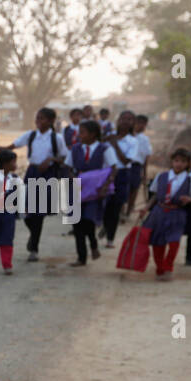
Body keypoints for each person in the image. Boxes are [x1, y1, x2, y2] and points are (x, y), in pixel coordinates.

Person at [7, 107, 69, 262]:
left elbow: (65, 158)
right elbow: (12, 146)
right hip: (32, 172)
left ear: (50, 121)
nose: (38, 121)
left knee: (39, 213)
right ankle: (33, 235)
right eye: (37, 118)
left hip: (48, 175)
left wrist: (50, 160)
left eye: (41, 118)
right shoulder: (31, 135)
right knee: (25, 210)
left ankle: (34, 248)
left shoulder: (57, 138)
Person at [64, 120, 115, 266]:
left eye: (82, 132)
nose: (79, 135)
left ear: (92, 134)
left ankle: (93, 244)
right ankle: (81, 257)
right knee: (76, 222)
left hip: (95, 190)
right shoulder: (75, 149)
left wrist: (106, 186)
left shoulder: (105, 148)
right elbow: (68, 167)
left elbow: (114, 168)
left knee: (88, 220)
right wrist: (72, 178)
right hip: (78, 187)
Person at [144, 149, 191, 281]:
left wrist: (189, 200)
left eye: (183, 161)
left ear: (188, 164)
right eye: (176, 161)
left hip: (177, 213)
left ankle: (168, 266)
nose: (179, 164)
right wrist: (146, 208)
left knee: (174, 241)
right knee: (158, 241)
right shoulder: (161, 176)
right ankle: (159, 267)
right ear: (172, 161)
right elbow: (155, 195)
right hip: (159, 212)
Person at [101, 111, 136, 247]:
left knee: (115, 207)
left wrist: (115, 144)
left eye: (129, 119)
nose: (126, 121)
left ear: (133, 123)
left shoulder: (133, 141)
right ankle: (106, 225)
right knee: (104, 205)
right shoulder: (109, 136)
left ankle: (110, 239)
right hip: (106, 173)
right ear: (118, 120)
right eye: (123, 118)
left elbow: (126, 160)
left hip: (122, 174)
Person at [127, 115, 153, 219]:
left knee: (134, 189)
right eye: (139, 123)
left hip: (136, 166)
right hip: (126, 165)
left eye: (144, 124)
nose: (141, 126)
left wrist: (145, 173)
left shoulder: (145, 139)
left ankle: (128, 211)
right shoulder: (127, 137)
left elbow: (146, 156)